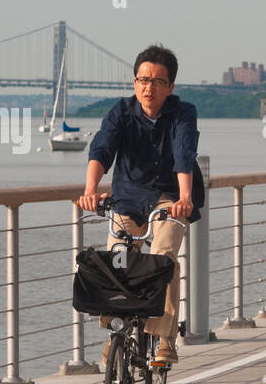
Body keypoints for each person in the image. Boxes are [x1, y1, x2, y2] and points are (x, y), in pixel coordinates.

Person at [78, 44, 205, 366]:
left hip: (170, 196)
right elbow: (102, 149)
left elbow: (183, 153)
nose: (148, 87)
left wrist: (185, 199)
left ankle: (164, 338)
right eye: (142, 80)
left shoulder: (182, 112)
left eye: (157, 81)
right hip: (127, 195)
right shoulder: (121, 111)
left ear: (170, 87)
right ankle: (117, 331)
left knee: (163, 258)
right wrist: (91, 190)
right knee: (117, 259)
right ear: (135, 82)